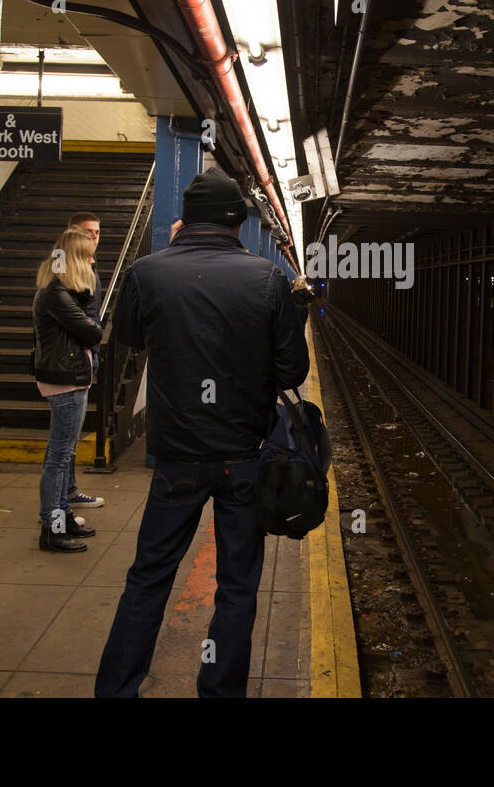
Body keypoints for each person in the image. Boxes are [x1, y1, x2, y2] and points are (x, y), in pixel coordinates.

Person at [95, 168, 309, 698]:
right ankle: (220, 690)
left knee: (149, 578)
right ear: (239, 223)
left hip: (176, 455)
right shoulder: (268, 279)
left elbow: (127, 337)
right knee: (237, 586)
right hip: (244, 455)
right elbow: (292, 374)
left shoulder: (146, 272)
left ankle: (117, 690)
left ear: (183, 220)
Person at [32, 229, 103, 553]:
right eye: (87, 254)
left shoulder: (60, 291)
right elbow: (92, 331)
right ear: (75, 258)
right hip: (65, 380)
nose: (92, 259)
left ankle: (64, 516)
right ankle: (52, 526)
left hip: (68, 377)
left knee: (62, 454)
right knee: (59, 457)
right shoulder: (57, 294)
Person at [65, 211, 106, 511]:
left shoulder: (88, 267)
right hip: (74, 359)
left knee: (69, 440)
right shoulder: (65, 271)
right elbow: (79, 318)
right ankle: (59, 508)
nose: (93, 237)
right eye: (87, 232)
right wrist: (93, 339)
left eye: (96, 232)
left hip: (84, 356)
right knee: (63, 445)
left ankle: (69, 490)